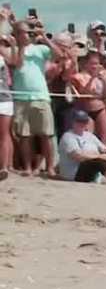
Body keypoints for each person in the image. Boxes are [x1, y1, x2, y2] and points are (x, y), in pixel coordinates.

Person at [10, 19, 66, 176]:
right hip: (21, 98)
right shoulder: (13, 49)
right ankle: (28, 167)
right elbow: (18, 65)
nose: (25, 35)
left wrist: (44, 37)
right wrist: (20, 46)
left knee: (46, 134)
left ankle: (49, 168)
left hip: (40, 96)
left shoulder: (40, 49)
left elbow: (59, 55)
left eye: (27, 32)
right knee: (25, 135)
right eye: (21, 32)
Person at [69, 50, 106, 147]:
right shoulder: (78, 77)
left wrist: (104, 80)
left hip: (100, 108)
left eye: (97, 64)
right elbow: (83, 94)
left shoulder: (101, 77)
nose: (95, 66)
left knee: (103, 138)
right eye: (92, 63)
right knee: (87, 137)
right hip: (86, 109)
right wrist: (92, 78)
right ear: (86, 64)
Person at [0, 32, 15, 179]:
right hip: (4, 99)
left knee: (4, 134)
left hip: (3, 99)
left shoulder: (3, 58)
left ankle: (4, 167)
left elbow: (12, 60)